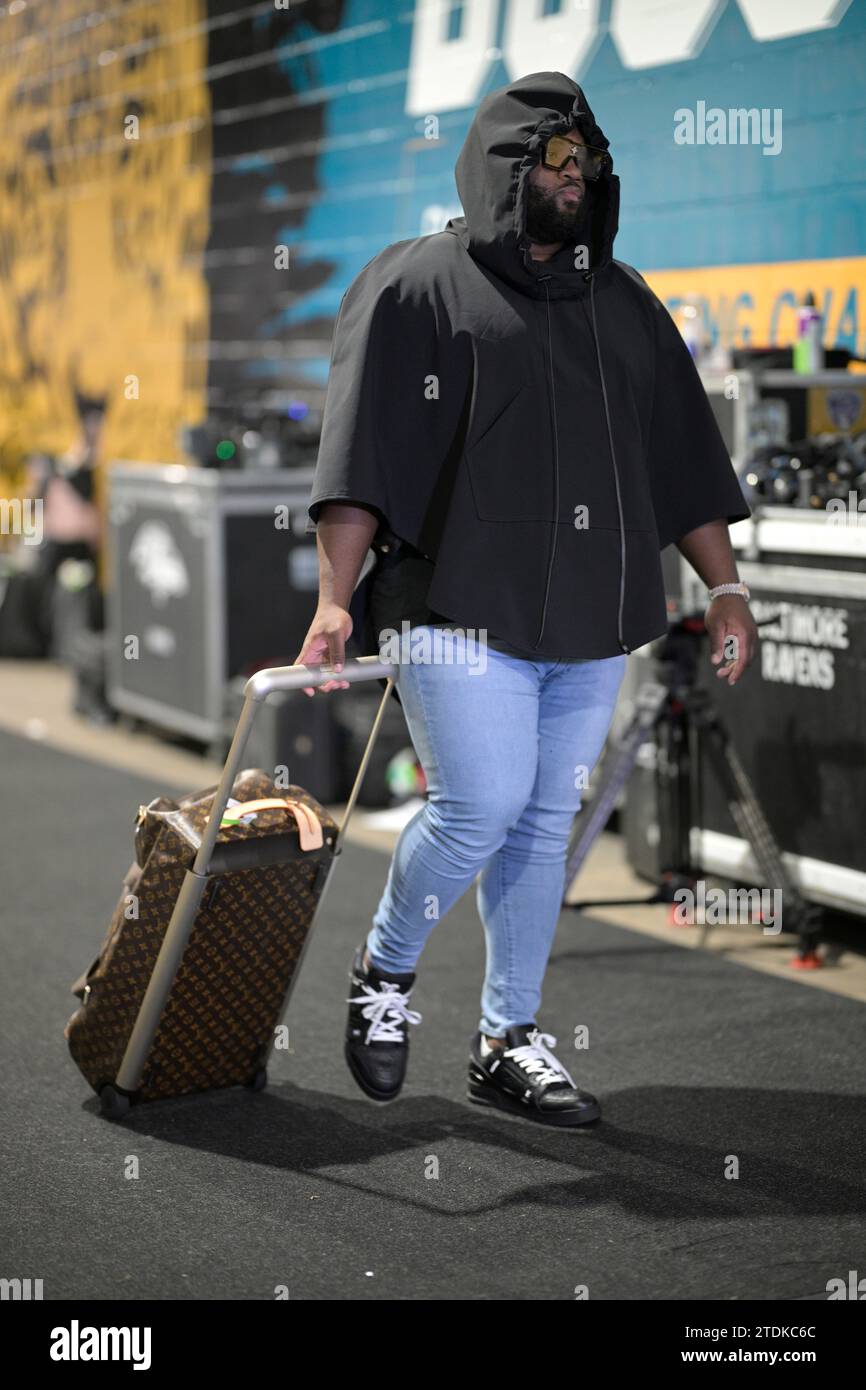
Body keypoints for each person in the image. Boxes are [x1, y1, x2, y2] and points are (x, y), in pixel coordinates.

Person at [296, 73, 756, 1127]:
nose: (570, 178)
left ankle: (506, 1037)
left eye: (582, 161)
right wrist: (332, 600)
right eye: (550, 161)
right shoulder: (414, 284)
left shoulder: (624, 303)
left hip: (590, 614)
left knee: (545, 823)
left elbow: (681, 460)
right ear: (505, 170)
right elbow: (360, 458)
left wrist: (722, 586)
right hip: (451, 602)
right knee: (479, 806)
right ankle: (383, 972)